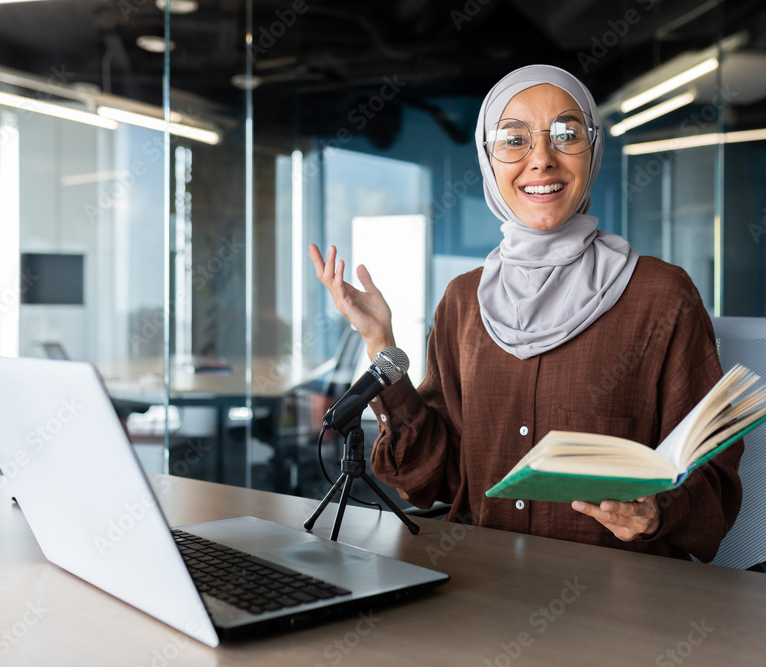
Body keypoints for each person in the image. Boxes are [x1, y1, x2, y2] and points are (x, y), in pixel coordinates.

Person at [308, 65, 741, 562]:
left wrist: (658, 511)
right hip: (481, 589)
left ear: (593, 149)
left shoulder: (661, 296)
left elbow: (714, 485)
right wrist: (381, 344)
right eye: (514, 140)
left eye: (566, 134)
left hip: (615, 605)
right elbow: (437, 479)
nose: (541, 159)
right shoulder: (463, 302)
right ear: (489, 160)